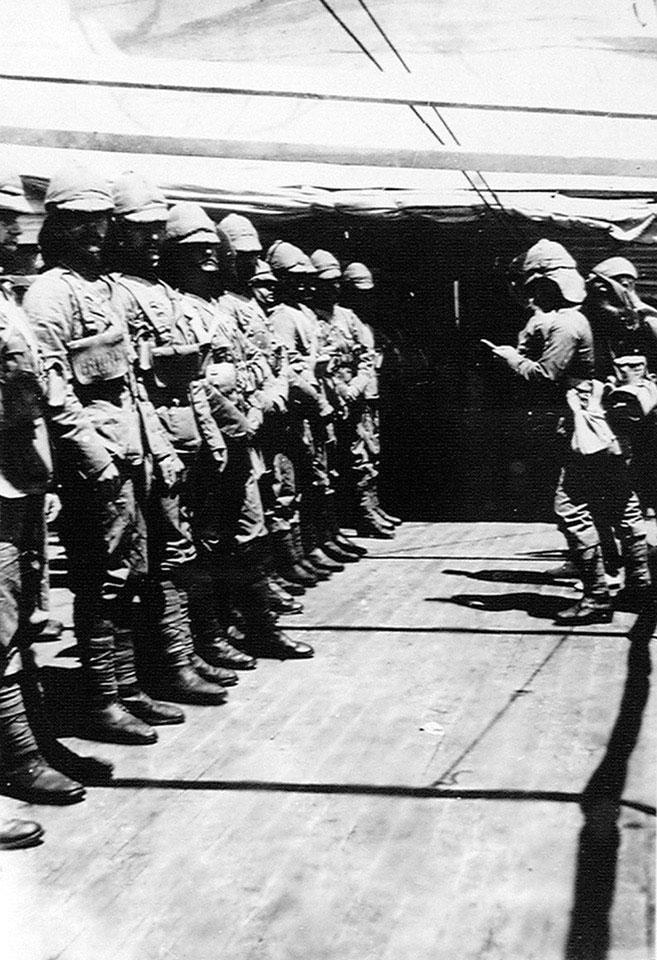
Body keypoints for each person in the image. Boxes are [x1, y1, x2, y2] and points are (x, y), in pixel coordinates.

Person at [23, 163, 181, 744]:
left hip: (131, 450)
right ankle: (100, 698)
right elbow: (54, 391)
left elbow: (133, 384)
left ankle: (128, 683)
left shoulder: (102, 288)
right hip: (97, 460)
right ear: (56, 225)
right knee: (102, 578)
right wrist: (95, 459)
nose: (94, 233)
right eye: (80, 223)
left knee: (134, 571)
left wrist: (156, 446)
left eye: (101, 222)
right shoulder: (50, 293)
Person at [107, 171, 240, 699]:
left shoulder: (168, 294)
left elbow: (195, 383)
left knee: (181, 552)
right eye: (140, 230)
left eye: (156, 230)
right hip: (143, 445)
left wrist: (210, 437)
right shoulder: (115, 293)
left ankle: (183, 653)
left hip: (181, 442)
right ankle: (160, 667)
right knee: (146, 560)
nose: (151, 240)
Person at [160, 206, 313, 661]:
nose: (209, 260)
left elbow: (264, 363)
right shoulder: (177, 304)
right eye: (195, 252)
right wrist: (241, 421)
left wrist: (266, 397)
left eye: (213, 251)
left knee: (249, 531)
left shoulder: (227, 306)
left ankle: (258, 626)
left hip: (245, 433)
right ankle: (214, 634)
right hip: (211, 437)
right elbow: (197, 380)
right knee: (209, 537)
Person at [0, 169, 103, 809]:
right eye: (4, 217)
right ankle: (18, 758)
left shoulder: (8, 298)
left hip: (17, 480)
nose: (16, 228)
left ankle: (27, 746)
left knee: (18, 618)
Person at [489, 239, 627, 625]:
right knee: (604, 506)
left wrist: (510, 357)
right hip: (583, 423)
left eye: (534, 287)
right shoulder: (573, 318)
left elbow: (545, 375)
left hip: (577, 425)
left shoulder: (565, 325)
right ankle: (615, 586)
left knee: (569, 509)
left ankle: (597, 597)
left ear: (546, 284)